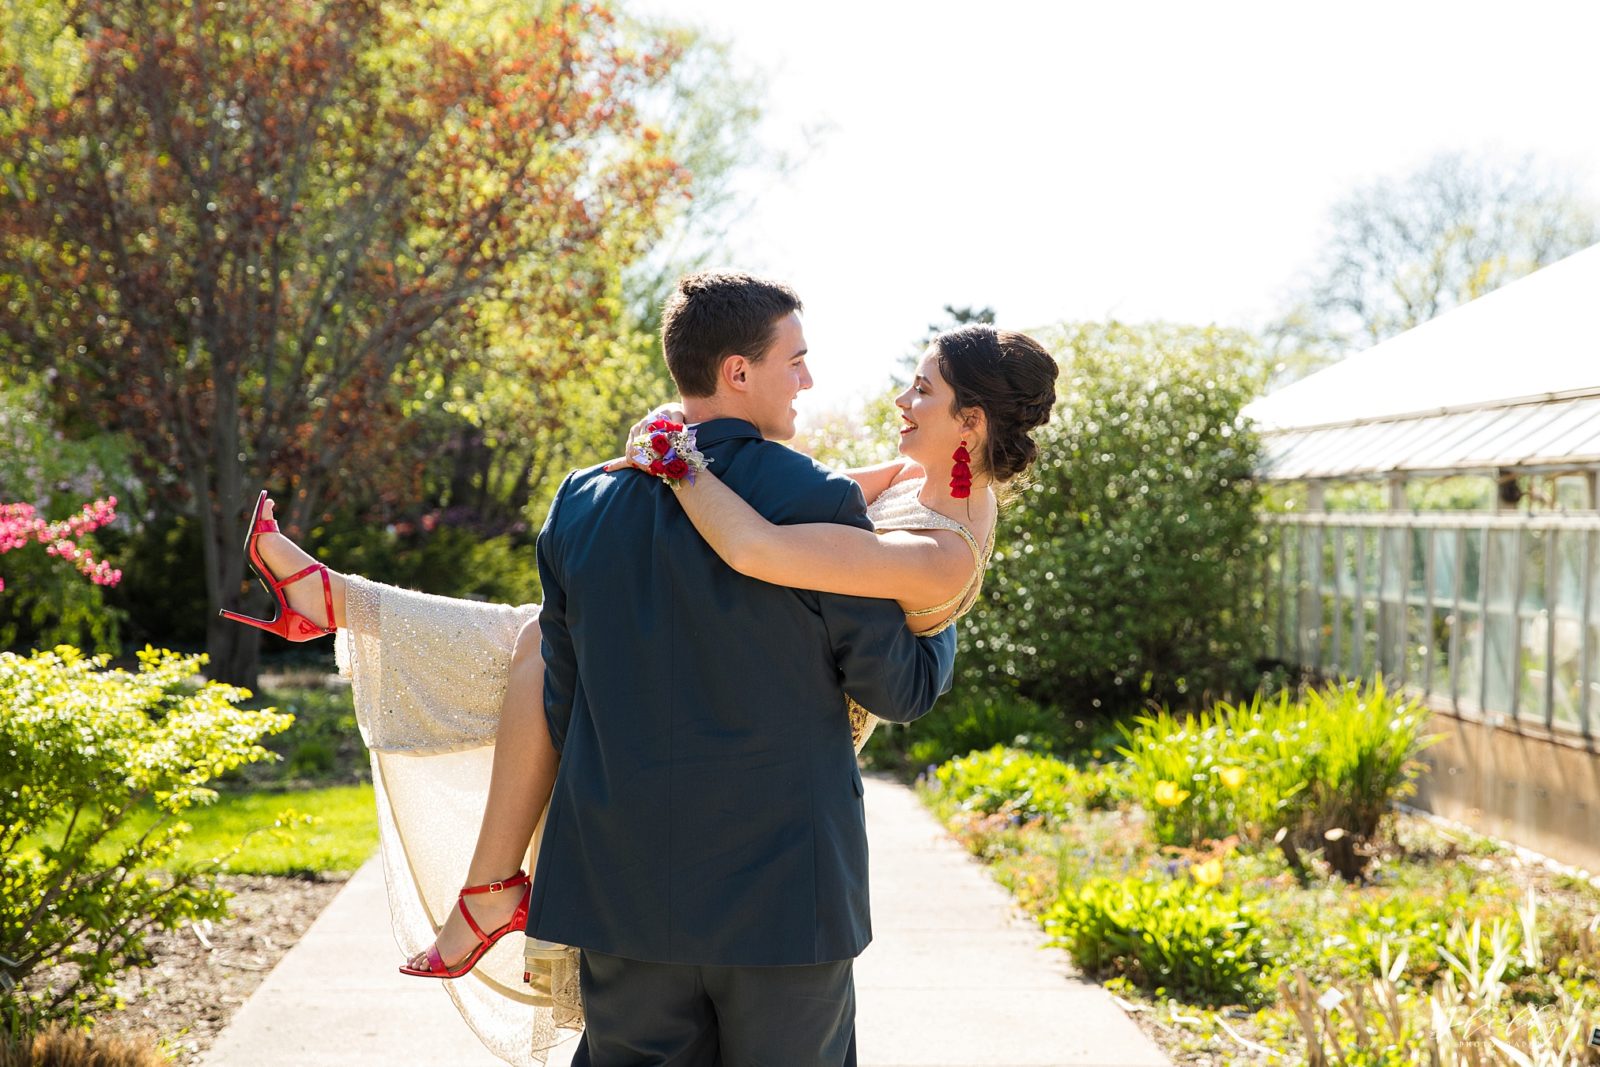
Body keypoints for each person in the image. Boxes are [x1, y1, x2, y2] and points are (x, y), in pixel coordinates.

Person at [224, 271, 1058, 1064]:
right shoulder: (828, 507)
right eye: (795, 360)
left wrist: (677, 444)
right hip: (783, 894)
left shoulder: (585, 498)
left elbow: (557, 695)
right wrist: (938, 623)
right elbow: (891, 685)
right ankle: (342, 603)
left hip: (619, 890)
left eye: (921, 388)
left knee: (531, 643)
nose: (810, 380)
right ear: (740, 370)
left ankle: (345, 605)